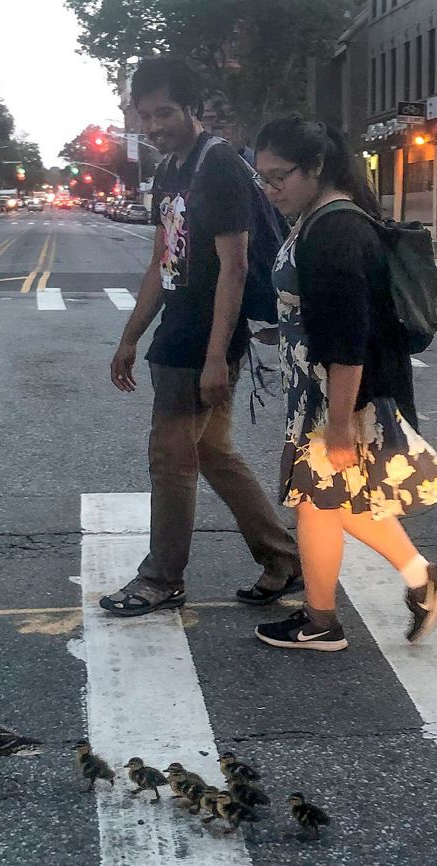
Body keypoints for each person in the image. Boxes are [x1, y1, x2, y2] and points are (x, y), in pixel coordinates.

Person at [249, 114, 437, 652]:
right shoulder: (320, 217)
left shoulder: (336, 228)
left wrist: (340, 427)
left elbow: (347, 339)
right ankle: (415, 580)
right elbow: (327, 313)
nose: (270, 189)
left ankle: (322, 621)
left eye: (279, 176)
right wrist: (289, 329)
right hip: (320, 392)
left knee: (318, 501)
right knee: (324, 501)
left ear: (316, 167)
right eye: (263, 178)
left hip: (336, 398)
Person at [102, 56, 302, 617]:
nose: (153, 125)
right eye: (144, 116)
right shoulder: (170, 170)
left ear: (192, 108)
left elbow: (234, 267)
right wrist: (129, 336)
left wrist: (219, 356)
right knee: (212, 452)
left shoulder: (218, 167)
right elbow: (162, 260)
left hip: (202, 337)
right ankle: (282, 557)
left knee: (170, 458)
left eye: (163, 112)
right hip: (178, 328)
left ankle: (161, 578)